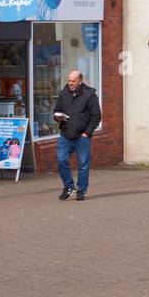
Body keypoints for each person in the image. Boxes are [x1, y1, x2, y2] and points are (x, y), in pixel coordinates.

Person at [52, 70, 101, 201]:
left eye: (73, 81)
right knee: (61, 160)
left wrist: (87, 133)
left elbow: (96, 116)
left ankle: (81, 190)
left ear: (80, 81)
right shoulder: (64, 93)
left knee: (83, 164)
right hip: (66, 134)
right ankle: (69, 187)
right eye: (69, 81)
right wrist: (57, 117)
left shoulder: (90, 96)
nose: (70, 83)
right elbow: (56, 110)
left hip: (82, 136)